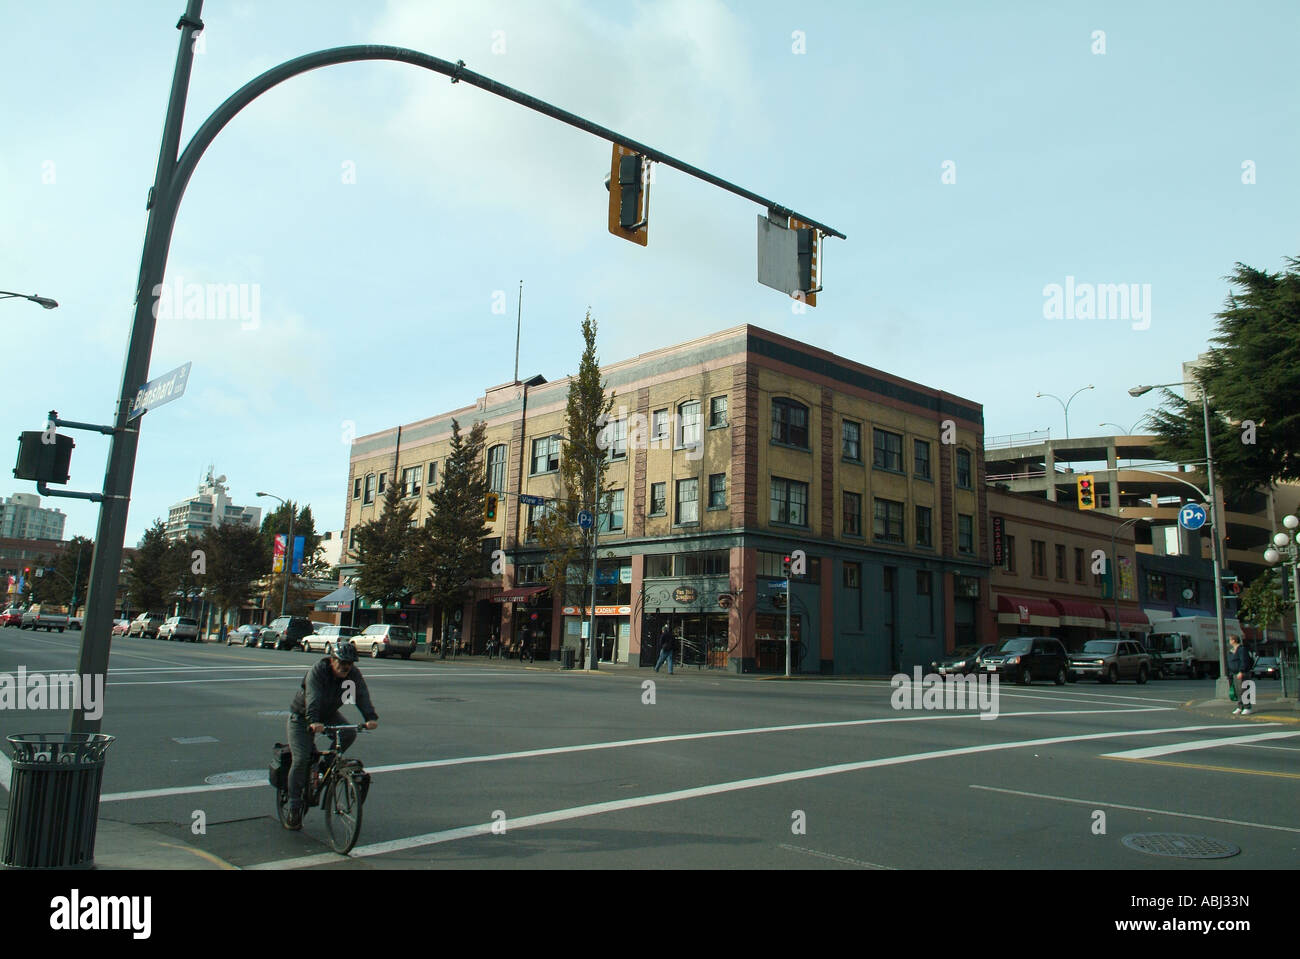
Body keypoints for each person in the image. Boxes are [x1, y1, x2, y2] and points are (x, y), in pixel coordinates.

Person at [284, 640, 378, 829]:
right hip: (302, 717)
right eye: (342, 663)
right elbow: (313, 698)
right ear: (332, 660)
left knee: (349, 734)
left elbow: (361, 694)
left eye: (349, 664)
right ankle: (294, 805)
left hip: (328, 715)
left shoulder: (352, 675)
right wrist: (313, 721)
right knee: (301, 759)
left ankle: (324, 766)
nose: (345, 667)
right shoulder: (318, 671)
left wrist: (370, 717)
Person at [1227, 636, 1254, 716]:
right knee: (1238, 691)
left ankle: (1247, 707)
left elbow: (1244, 660)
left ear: (1234, 640)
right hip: (1235, 673)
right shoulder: (1232, 651)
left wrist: (1241, 671)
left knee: (1244, 690)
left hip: (1242, 673)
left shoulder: (1242, 649)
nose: (1229, 641)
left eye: (1230, 640)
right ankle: (1240, 706)